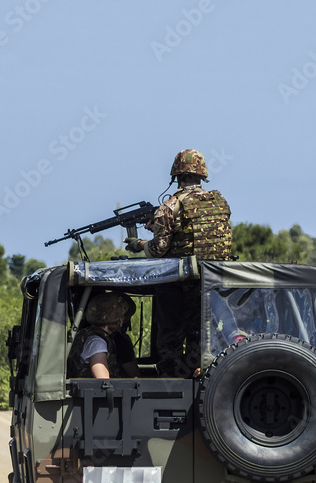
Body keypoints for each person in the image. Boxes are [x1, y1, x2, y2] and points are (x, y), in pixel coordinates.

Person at [124, 149, 232, 376]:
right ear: (202, 174)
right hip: (213, 284)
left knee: (170, 338)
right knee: (199, 336)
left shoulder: (170, 205)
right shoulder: (219, 202)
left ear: (177, 175)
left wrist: (140, 244)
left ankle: (170, 383)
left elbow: (158, 249)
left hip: (179, 284)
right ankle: (201, 377)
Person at [68, 292, 140, 379]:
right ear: (111, 319)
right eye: (120, 316)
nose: (123, 318)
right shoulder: (97, 343)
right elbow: (103, 381)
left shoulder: (86, 335)